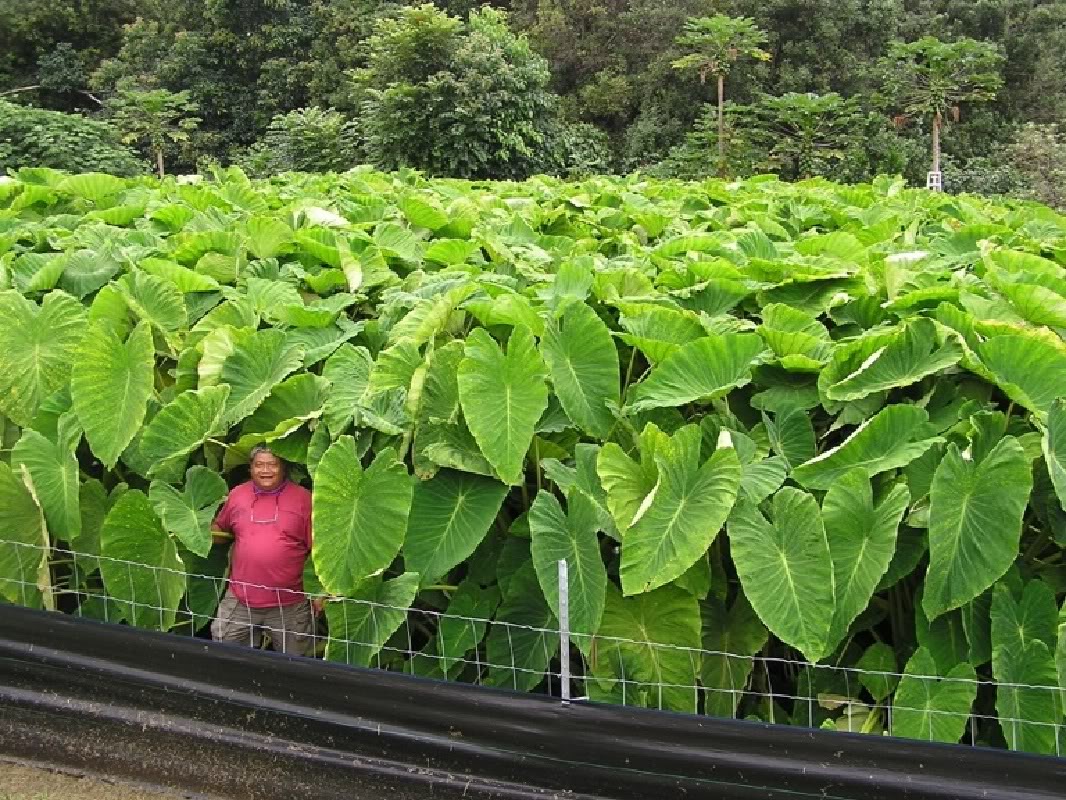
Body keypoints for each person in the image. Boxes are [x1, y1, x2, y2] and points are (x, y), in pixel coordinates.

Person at [210, 445, 316, 656]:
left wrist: (320, 592)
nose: (265, 470)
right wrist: (190, 526)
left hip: (288, 603)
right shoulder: (238, 495)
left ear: (283, 468)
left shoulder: (304, 499)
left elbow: (320, 551)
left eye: (272, 464)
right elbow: (219, 530)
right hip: (241, 598)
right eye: (259, 465)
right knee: (223, 648)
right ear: (250, 468)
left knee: (294, 664)